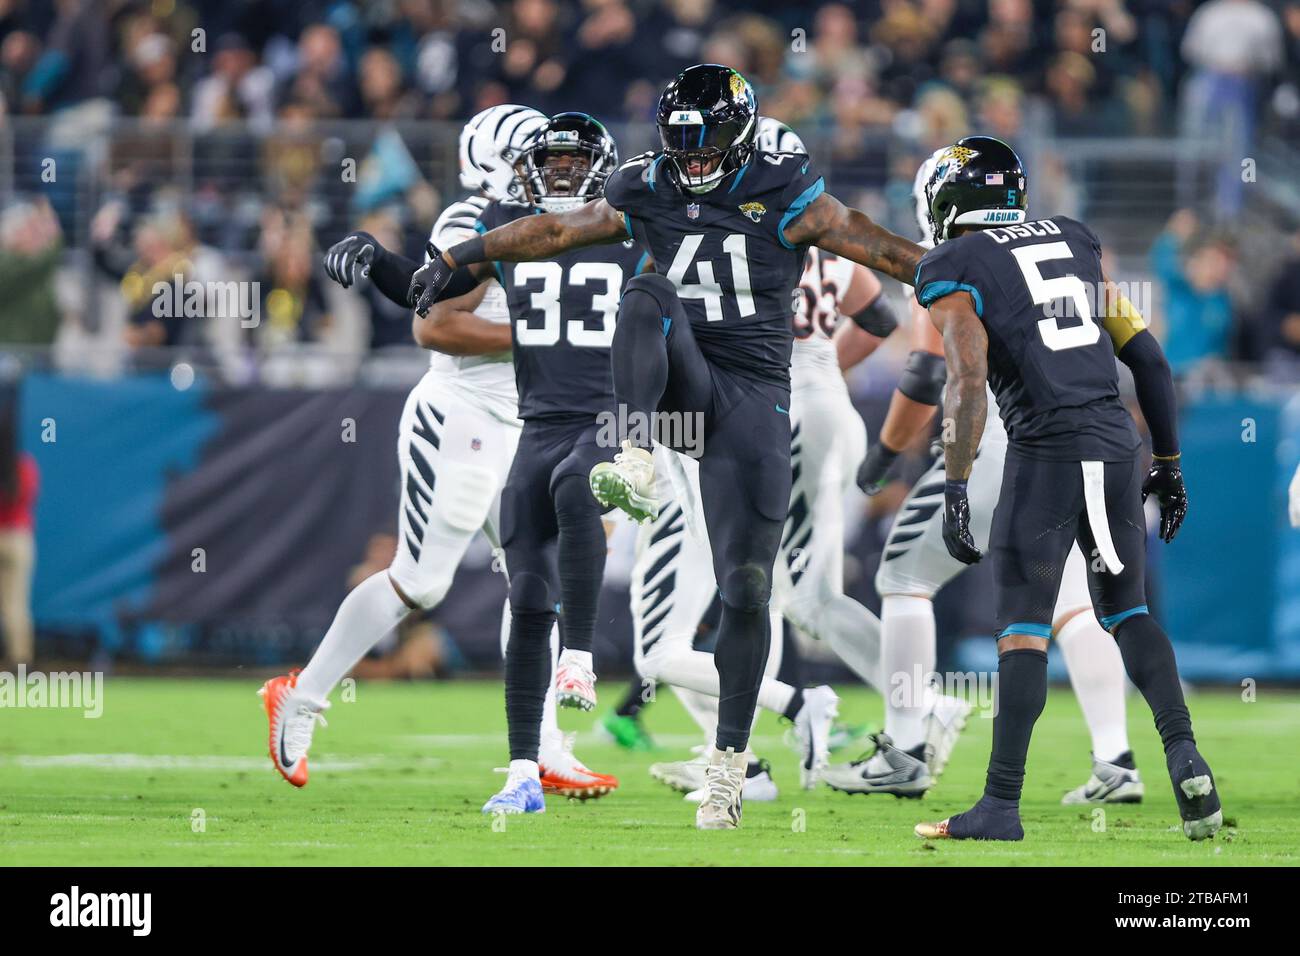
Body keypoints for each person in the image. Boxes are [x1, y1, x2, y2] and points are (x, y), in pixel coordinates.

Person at [406, 64, 927, 829]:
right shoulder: (648, 184)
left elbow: (877, 248)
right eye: (679, 142)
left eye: (704, 141)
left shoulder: (786, 191)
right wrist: (460, 256)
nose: (691, 157)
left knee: (748, 587)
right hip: (678, 383)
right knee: (646, 293)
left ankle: (727, 766)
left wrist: (962, 272)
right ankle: (636, 452)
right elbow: (556, 229)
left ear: (738, 133)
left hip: (751, 397)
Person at [260, 105, 616, 803]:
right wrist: (541, 339)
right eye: (534, 158)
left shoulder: (567, 221)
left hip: (528, 420)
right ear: (496, 164)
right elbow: (434, 323)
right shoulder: (475, 218)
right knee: (420, 583)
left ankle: (544, 745)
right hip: (462, 414)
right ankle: (300, 695)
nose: (550, 170)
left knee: (533, 582)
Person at [909, 136, 1220, 842]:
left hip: (1047, 450)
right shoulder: (1073, 240)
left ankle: (999, 805)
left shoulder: (951, 263)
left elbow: (963, 380)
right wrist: (1167, 462)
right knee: (1127, 612)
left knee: (1022, 631)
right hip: (1115, 444)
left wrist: (955, 484)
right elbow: (1147, 357)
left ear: (951, 200)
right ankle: (1184, 757)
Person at [836, 149, 1142, 805]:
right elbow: (1129, 345)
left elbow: (927, 375)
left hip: (1002, 435)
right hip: (1084, 435)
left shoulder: (955, 263)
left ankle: (906, 746)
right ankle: (1117, 761)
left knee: (903, 576)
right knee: (1071, 602)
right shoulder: (1061, 244)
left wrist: (884, 458)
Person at [0, 403, 37, 667]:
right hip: (18, 538)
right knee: (16, 605)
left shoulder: (21, 466)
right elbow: (30, 496)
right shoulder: (25, 465)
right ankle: (21, 663)